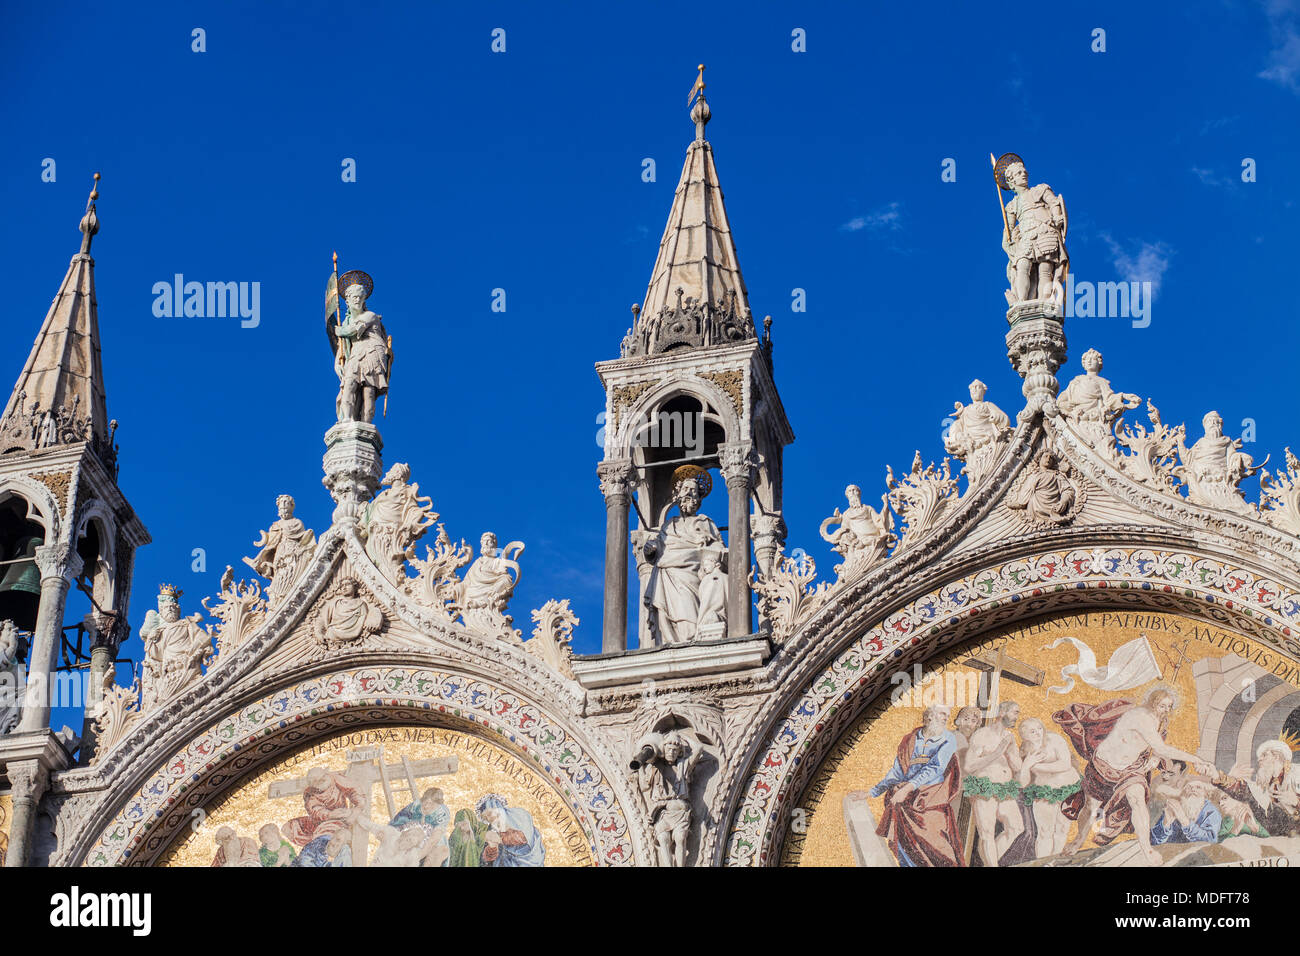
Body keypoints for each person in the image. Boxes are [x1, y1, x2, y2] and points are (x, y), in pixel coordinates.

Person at [1056, 687, 1214, 865]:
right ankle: (1078, 839)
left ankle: (1146, 849)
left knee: (1137, 800)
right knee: (1091, 806)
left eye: (1169, 706)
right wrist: (1195, 759)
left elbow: (1153, 747)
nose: (1167, 710)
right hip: (1104, 767)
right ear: (1152, 703)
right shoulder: (1140, 716)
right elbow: (1161, 747)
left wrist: (1154, 757)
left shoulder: (1160, 721)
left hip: (1131, 769)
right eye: (1162, 706)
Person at [869, 703, 963, 866]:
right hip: (904, 800)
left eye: (946, 716)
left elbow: (936, 767)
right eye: (941, 714)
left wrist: (907, 788)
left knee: (940, 848)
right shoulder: (910, 739)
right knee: (905, 847)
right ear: (928, 716)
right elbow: (897, 772)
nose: (945, 719)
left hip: (931, 800)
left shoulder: (948, 739)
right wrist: (872, 792)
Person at [643, 468, 724, 645]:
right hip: (667, 575)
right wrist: (650, 550)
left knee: (689, 614)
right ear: (678, 495)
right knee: (666, 614)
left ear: (699, 498)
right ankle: (670, 642)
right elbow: (658, 549)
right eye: (685, 489)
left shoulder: (705, 522)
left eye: (693, 490)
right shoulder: (669, 524)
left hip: (692, 576)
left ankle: (690, 641)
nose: (688, 493)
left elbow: (719, 550)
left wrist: (705, 545)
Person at [963, 701, 1024, 866]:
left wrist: (1010, 751)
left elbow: (1018, 767)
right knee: (987, 833)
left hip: (1004, 788)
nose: (1016, 718)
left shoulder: (1009, 737)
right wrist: (997, 753)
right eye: (1014, 712)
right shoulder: (982, 735)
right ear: (1002, 711)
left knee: (1016, 827)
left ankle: (989, 863)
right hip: (985, 787)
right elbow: (969, 765)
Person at [1017, 716, 1081, 859]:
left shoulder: (1055, 740)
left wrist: (1036, 765)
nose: (1038, 733)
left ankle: (1055, 861)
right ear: (1024, 735)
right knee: (1045, 832)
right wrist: (1026, 766)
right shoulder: (1024, 751)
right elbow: (1023, 783)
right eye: (1033, 731)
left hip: (1068, 790)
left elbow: (1065, 764)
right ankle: (1044, 863)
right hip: (1044, 793)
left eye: (1040, 728)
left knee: (1062, 829)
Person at [331, 271, 390, 424]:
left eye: (360, 297)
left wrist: (338, 330)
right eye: (353, 297)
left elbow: (354, 330)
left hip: (371, 353)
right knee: (349, 383)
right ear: (347, 302)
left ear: (364, 300)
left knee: (368, 391)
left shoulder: (370, 316)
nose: (357, 300)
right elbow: (342, 346)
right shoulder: (345, 322)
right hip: (356, 354)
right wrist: (337, 363)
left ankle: (366, 423)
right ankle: (347, 420)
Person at [282, 766, 364, 848]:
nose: (320, 783)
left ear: (325, 775)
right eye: (316, 783)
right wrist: (330, 814)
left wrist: (358, 807)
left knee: (326, 830)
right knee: (291, 826)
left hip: (340, 818)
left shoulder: (336, 779)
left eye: (322, 780)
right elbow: (315, 809)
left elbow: (353, 789)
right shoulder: (311, 792)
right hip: (322, 819)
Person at [477, 794, 546, 867]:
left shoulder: (519, 814)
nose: (489, 818)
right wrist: (491, 849)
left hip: (528, 860)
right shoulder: (492, 828)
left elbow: (524, 840)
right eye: (486, 818)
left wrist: (499, 840)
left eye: (490, 814)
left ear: (497, 807)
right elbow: (491, 855)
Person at [390, 788, 451, 867]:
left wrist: (415, 858)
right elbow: (397, 821)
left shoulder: (442, 813)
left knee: (435, 855)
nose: (426, 806)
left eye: (431, 804)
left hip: (434, 844)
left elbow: (433, 840)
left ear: (438, 804)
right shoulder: (416, 805)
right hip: (412, 838)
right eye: (425, 802)